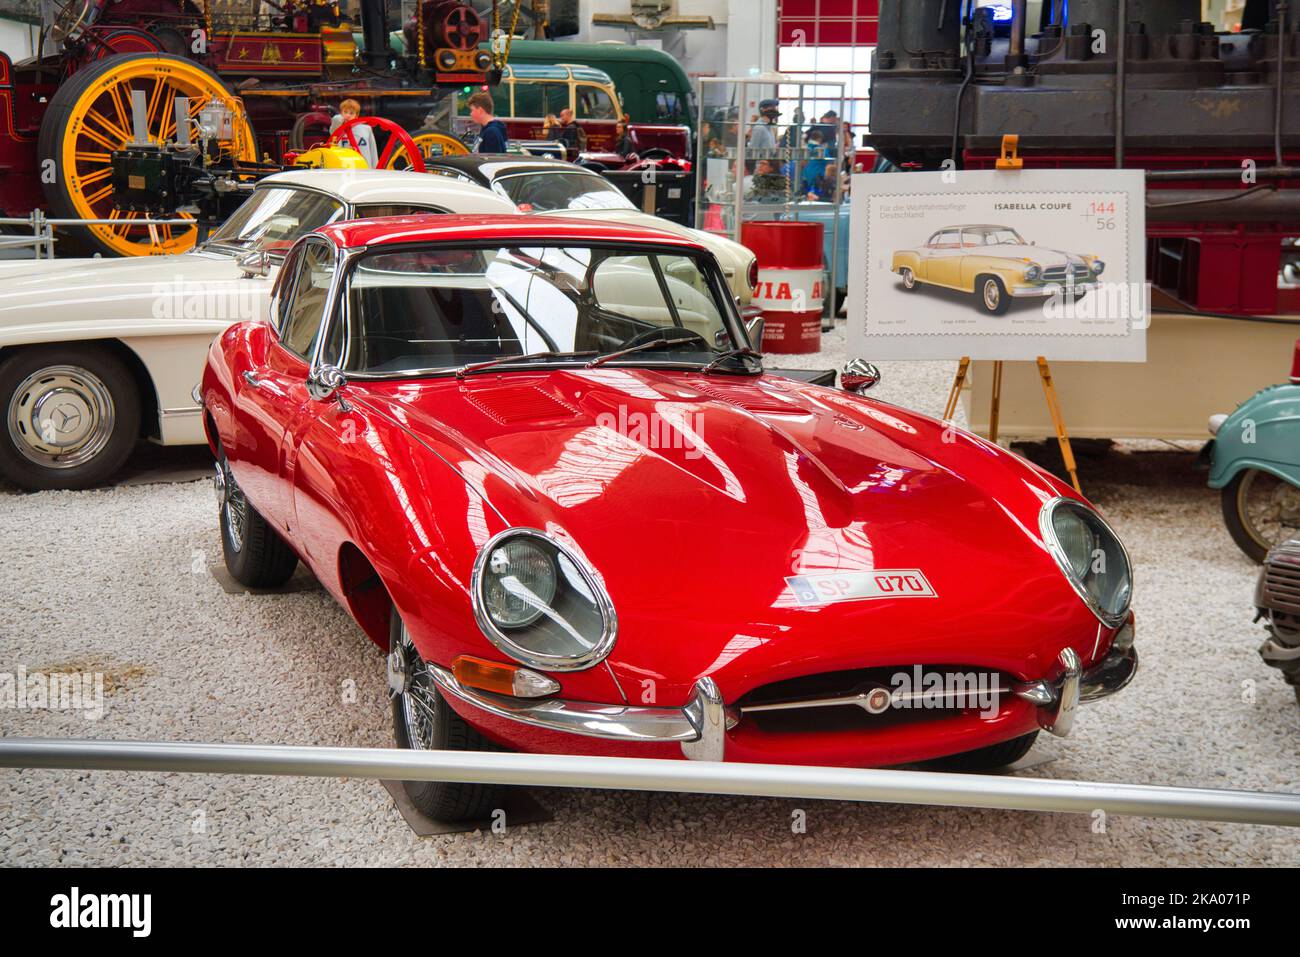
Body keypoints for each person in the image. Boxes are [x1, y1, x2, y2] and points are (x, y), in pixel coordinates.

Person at [328, 99, 376, 166]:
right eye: (345, 112)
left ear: (356, 115)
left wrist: (376, 169)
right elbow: (336, 119)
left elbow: (373, 151)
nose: (348, 115)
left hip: (366, 168)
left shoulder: (367, 129)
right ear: (341, 113)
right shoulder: (336, 129)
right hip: (346, 167)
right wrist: (341, 118)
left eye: (351, 113)